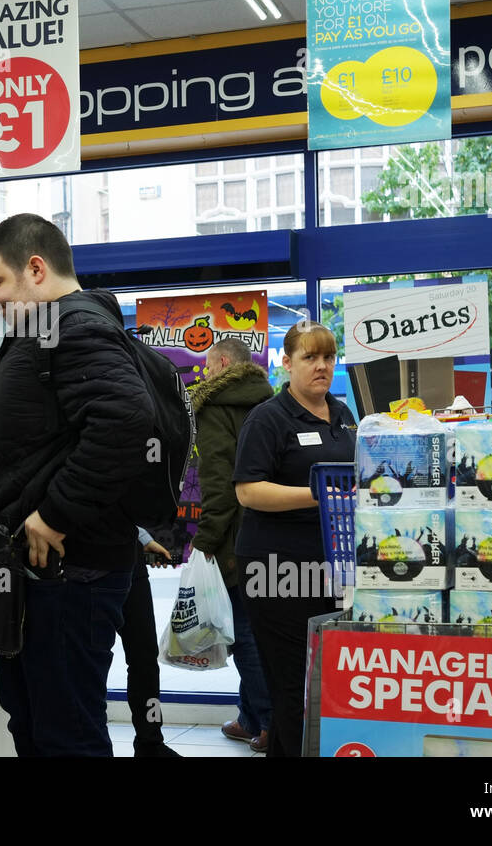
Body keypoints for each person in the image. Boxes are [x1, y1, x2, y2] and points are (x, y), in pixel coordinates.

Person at [0, 212, 156, 757]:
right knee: (36, 726)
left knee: (67, 736)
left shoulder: (72, 324)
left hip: (72, 574)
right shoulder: (46, 328)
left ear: (35, 268)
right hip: (46, 577)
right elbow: (66, 428)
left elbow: (124, 418)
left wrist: (53, 514)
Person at [233, 321, 356, 757]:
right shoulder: (268, 418)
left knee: (319, 684)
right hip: (276, 569)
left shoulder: (343, 415)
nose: (321, 366)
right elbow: (248, 491)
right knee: (291, 685)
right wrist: (320, 494)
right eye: (310, 357)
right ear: (286, 363)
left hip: (331, 567)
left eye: (328, 357)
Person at [192, 337, 274, 753]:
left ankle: (270, 723)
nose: (204, 375)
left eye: (207, 367)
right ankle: (250, 717)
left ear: (222, 363)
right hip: (274, 535)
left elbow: (218, 485)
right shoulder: (270, 403)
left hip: (235, 542)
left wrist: (204, 543)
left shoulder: (214, 406)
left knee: (243, 633)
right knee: (261, 631)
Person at [119, 528, 181, 757]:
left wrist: (142, 537)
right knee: (91, 664)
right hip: (91, 565)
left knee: (145, 659)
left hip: (132, 562)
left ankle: (150, 741)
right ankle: (91, 742)